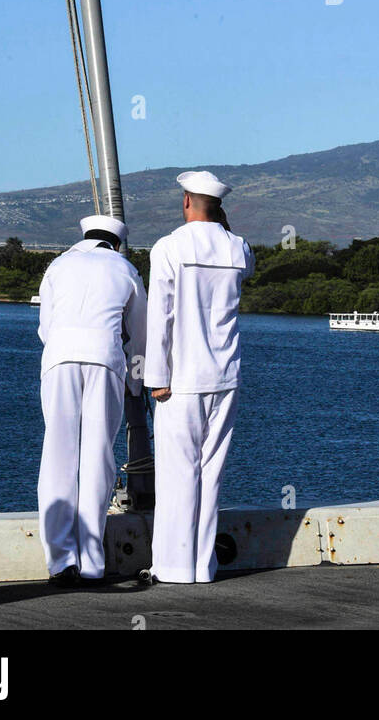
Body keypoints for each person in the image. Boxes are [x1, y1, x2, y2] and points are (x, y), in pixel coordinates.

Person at [143, 170, 254, 584]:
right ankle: (202, 566)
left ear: (186, 201)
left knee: (177, 473)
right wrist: (223, 228)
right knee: (211, 473)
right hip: (225, 376)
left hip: (182, 379)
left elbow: (161, 316)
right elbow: (248, 265)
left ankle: (173, 566)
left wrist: (156, 374)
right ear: (218, 206)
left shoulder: (169, 247)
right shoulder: (237, 248)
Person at [37, 213, 147, 586]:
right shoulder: (126, 268)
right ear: (116, 243)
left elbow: (45, 327)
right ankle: (92, 563)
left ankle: (60, 562)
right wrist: (137, 383)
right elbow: (140, 334)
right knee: (98, 455)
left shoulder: (58, 265)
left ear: (83, 236)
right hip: (105, 359)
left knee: (58, 453)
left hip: (60, 357)